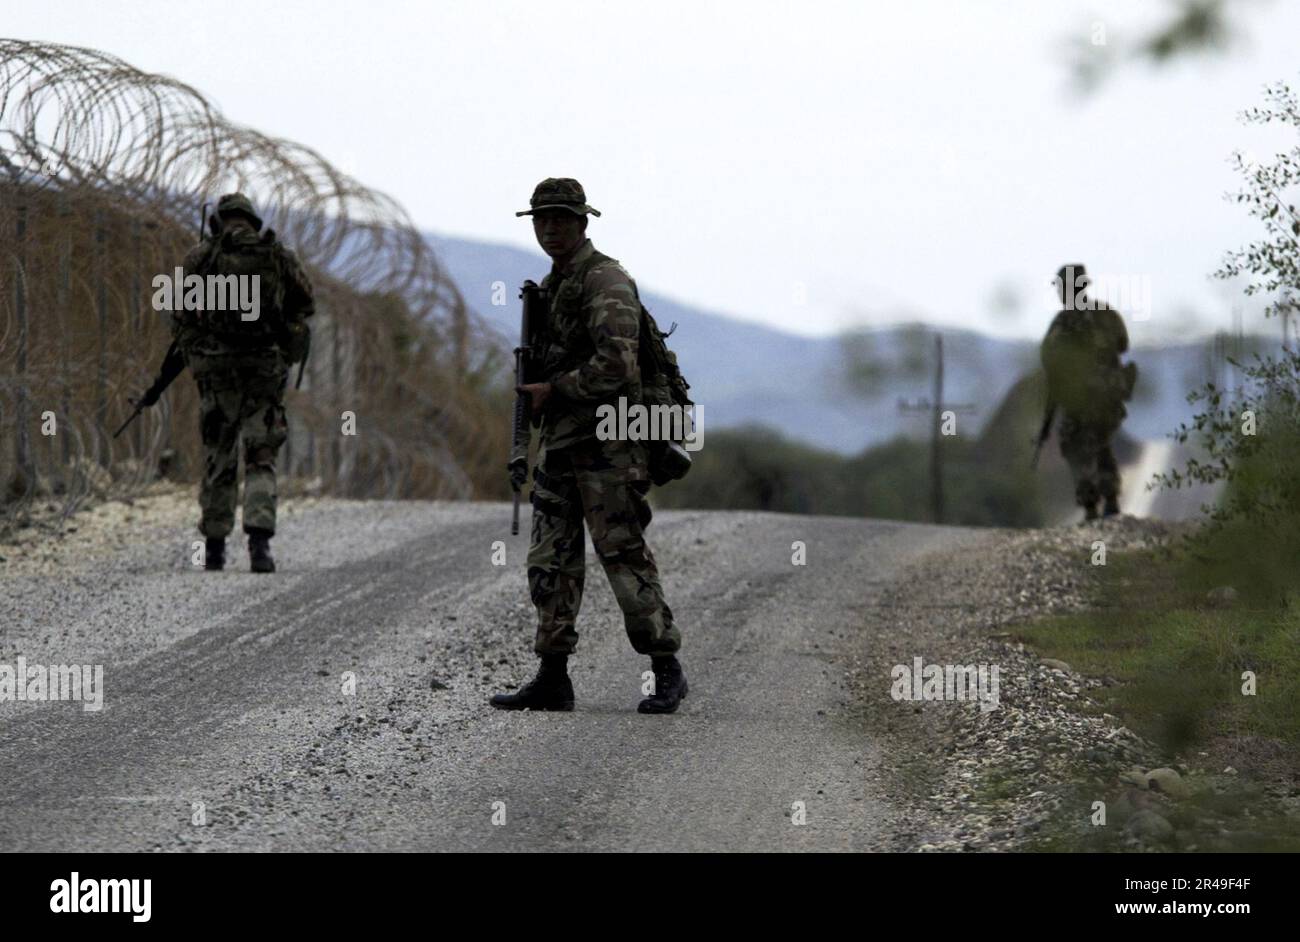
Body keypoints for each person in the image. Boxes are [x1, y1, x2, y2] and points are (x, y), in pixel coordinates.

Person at [491, 178, 687, 714]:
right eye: (542, 220)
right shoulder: (556, 285)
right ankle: (553, 676)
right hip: (563, 439)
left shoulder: (605, 281)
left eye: (560, 219)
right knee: (550, 560)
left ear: (583, 222)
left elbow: (618, 365)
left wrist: (557, 389)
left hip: (610, 441)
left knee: (622, 554)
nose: (550, 228)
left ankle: (666, 667)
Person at [171, 192, 314, 571]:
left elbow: (179, 312)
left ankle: (215, 548)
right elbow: (305, 304)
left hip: (217, 372)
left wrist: (198, 353)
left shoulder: (201, 257)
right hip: (264, 369)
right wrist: (283, 346)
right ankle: (259, 547)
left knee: (219, 454)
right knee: (260, 455)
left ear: (218, 221)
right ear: (253, 221)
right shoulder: (277, 255)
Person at [1039, 263, 1136, 521]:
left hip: (1080, 400)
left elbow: (1051, 366)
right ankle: (1111, 499)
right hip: (1108, 397)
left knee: (1075, 447)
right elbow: (1123, 345)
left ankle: (1091, 504)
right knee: (1101, 444)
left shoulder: (1061, 325)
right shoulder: (1107, 315)